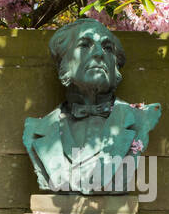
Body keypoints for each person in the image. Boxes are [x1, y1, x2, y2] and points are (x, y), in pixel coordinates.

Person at [23, 17, 161, 194]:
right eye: (85, 45)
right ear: (64, 64)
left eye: (107, 48)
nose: (99, 53)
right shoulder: (34, 131)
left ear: (116, 68)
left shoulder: (141, 120)